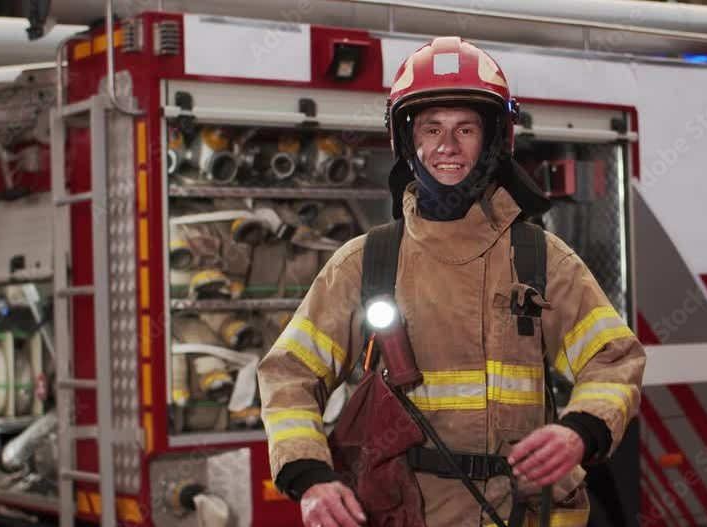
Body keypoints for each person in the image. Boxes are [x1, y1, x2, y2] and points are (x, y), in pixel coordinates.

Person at [257, 36, 646, 527]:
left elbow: (613, 359)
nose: (446, 146)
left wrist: (579, 431)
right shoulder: (366, 261)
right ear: (406, 139)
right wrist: (308, 475)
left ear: (495, 137)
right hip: (411, 512)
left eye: (465, 128)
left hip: (527, 512)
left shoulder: (540, 258)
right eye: (431, 128)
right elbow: (289, 374)